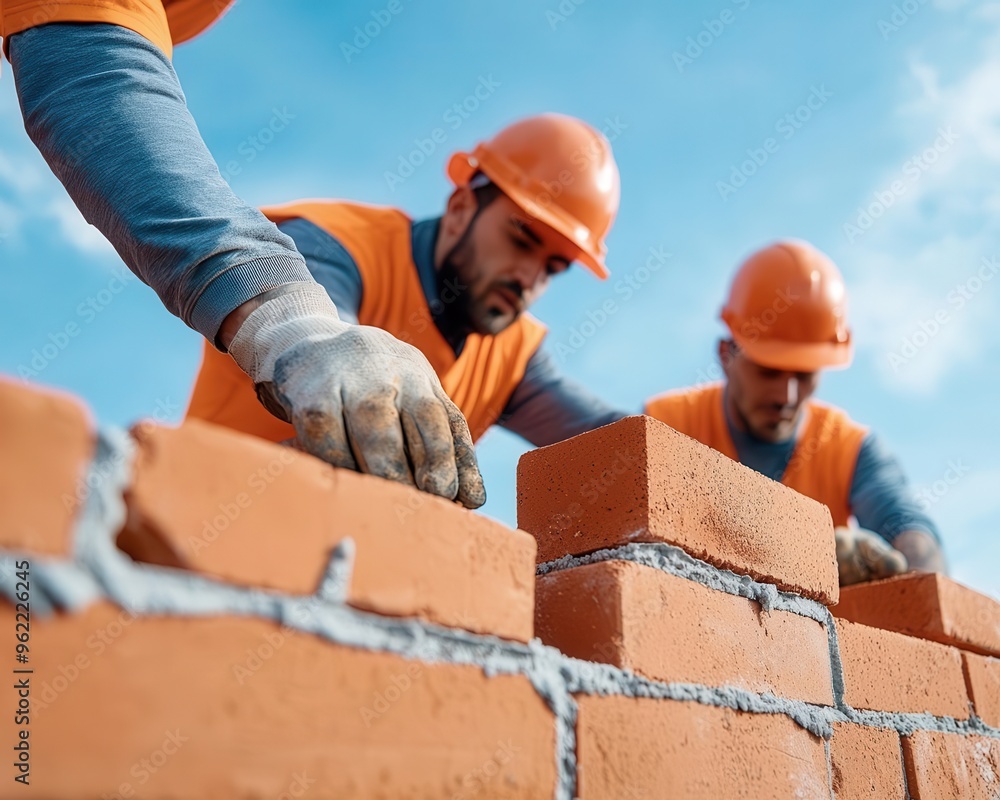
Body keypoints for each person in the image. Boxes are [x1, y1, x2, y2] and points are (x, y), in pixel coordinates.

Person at [1, 0, 485, 507]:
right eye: (523, 237)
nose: (533, 279)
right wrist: (295, 325)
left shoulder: (513, 348)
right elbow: (93, 70)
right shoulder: (354, 240)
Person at [186, 114, 628, 460]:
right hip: (189, 542)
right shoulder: (333, 247)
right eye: (521, 239)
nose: (529, 278)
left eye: (553, 267)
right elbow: (317, 333)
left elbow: (614, 437)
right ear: (460, 208)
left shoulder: (513, 358)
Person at [645, 240, 947, 585]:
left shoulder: (850, 449)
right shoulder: (666, 425)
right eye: (768, 371)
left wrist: (907, 573)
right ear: (726, 355)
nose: (786, 396)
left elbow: (910, 532)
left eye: (804, 375)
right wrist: (814, 556)